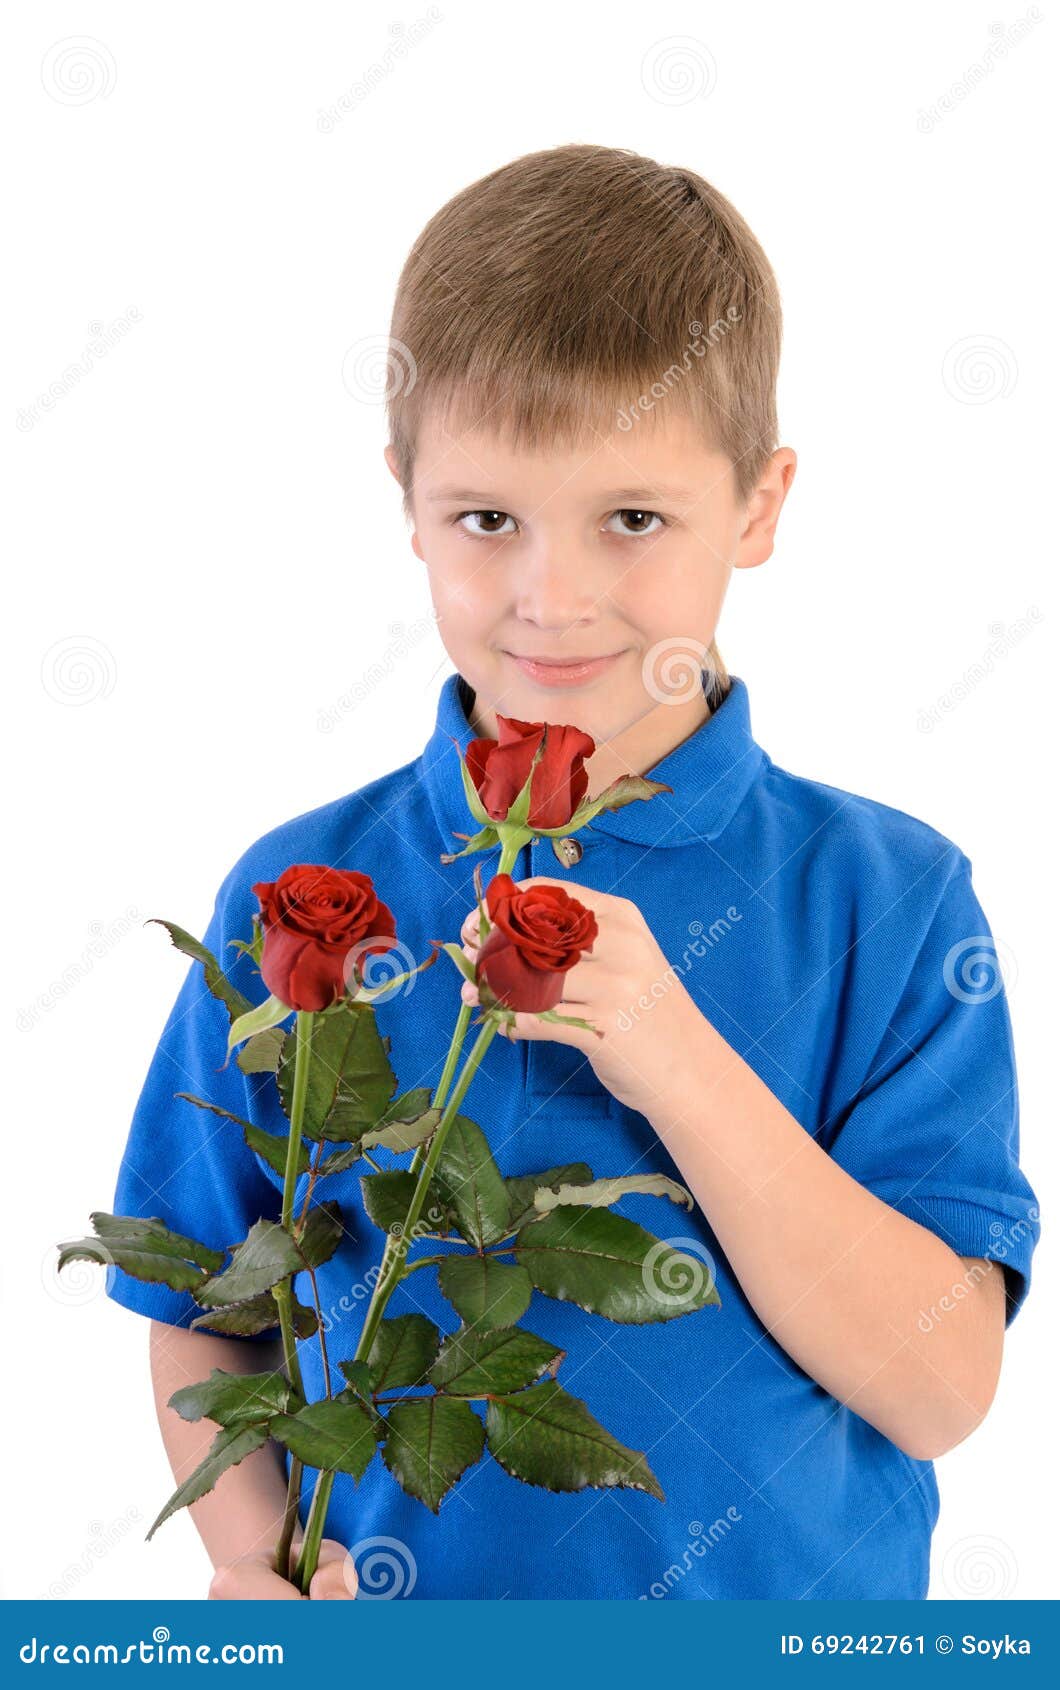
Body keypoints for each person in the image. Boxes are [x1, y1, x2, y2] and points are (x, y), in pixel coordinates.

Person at [106, 143, 1039, 1600]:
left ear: (760, 506)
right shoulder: (296, 888)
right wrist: (251, 1566)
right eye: (488, 519)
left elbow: (940, 1390)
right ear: (407, 502)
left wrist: (674, 1054)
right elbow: (203, 1300)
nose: (551, 598)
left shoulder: (892, 901)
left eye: (634, 518)